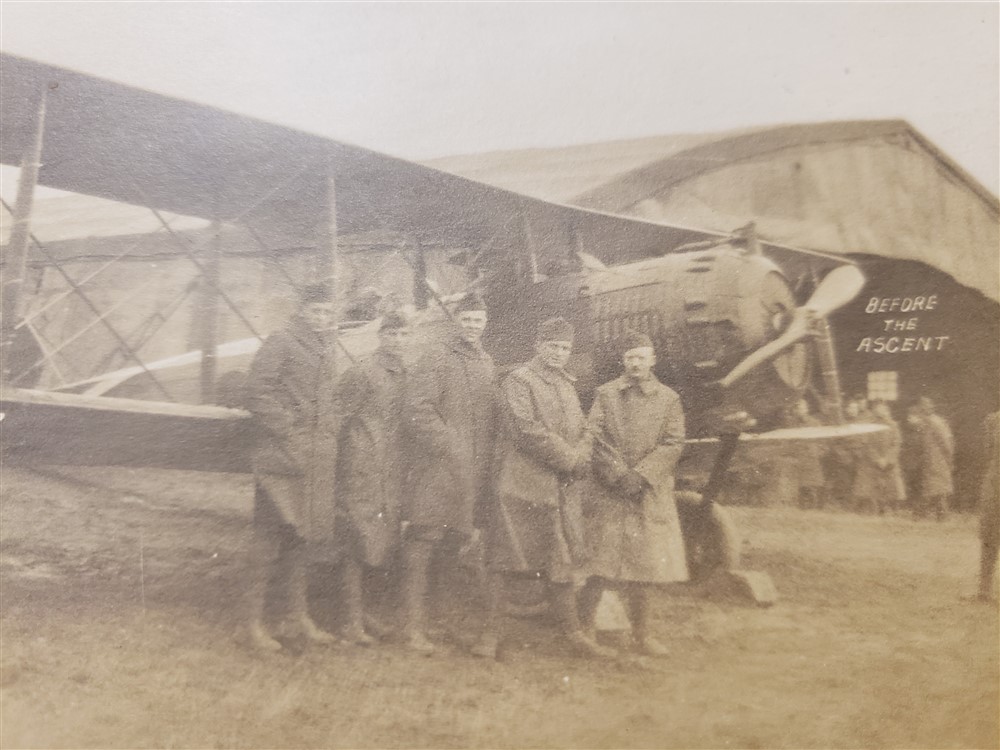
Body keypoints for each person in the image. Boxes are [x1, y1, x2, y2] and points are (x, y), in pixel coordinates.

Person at [473, 317, 609, 660]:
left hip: (556, 488)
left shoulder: (566, 384)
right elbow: (526, 429)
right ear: (537, 346)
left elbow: (578, 428)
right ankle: (489, 635)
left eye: (564, 348)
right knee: (506, 559)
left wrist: (580, 455)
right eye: (552, 346)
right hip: (519, 485)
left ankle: (572, 634)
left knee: (559, 559)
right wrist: (570, 459)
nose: (558, 354)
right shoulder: (519, 381)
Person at [576, 332, 688, 657]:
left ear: (653, 360)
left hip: (645, 493)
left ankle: (642, 634)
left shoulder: (669, 400)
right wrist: (616, 474)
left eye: (641, 357)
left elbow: (673, 443)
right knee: (600, 565)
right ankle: (584, 627)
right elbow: (593, 435)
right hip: (609, 492)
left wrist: (641, 475)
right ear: (623, 361)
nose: (635, 364)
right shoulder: (605, 394)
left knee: (644, 567)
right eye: (630, 358)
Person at [242, 283, 338, 651]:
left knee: (301, 539)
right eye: (316, 311)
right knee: (266, 540)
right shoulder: (281, 341)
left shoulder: (324, 347)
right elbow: (256, 391)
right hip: (279, 458)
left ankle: (296, 618)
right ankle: (250, 626)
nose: (322, 318)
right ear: (303, 310)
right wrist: (288, 429)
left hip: (311, 459)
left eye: (328, 313)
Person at [401, 292, 498, 654]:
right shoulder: (436, 357)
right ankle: (411, 628)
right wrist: (450, 444)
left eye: (478, 320)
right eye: (466, 319)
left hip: (470, 472)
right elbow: (417, 410)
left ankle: (439, 623)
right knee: (423, 542)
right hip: (438, 468)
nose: (472, 326)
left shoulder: (486, 362)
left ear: (485, 324)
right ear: (455, 321)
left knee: (452, 543)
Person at [333, 310, 413, 645]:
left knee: (381, 541)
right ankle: (350, 622)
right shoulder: (363, 372)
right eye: (391, 334)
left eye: (403, 335)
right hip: (362, 467)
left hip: (389, 470)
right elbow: (339, 419)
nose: (397, 340)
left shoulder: (405, 373)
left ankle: (366, 615)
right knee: (356, 540)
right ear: (381, 337)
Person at [904, 397, 955, 521]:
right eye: (922, 407)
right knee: (934, 489)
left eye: (925, 407)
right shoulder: (926, 422)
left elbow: (946, 443)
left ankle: (927, 515)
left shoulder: (935, 422)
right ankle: (938, 515)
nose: (922, 410)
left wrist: (949, 459)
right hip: (929, 460)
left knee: (936, 489)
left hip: (937, 460)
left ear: (930, 408)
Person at [784, 399, 826, 509]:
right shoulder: (791, 424)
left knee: (814, 484)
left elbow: (823, 442)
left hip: (812, 458)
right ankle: (801, 506)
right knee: (799, 485)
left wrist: (819, 452)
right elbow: (787, 441)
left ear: (807, 409)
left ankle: (815, 506)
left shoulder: (815, 423)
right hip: (797, 459)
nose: (800, 411)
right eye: (797, 408)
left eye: (802, 408)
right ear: (795, 410)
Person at [976, 411, 999, 602]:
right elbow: (988, 453)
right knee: (989, 534)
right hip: (995, 483)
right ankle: (984, 590)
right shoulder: (993, 420)